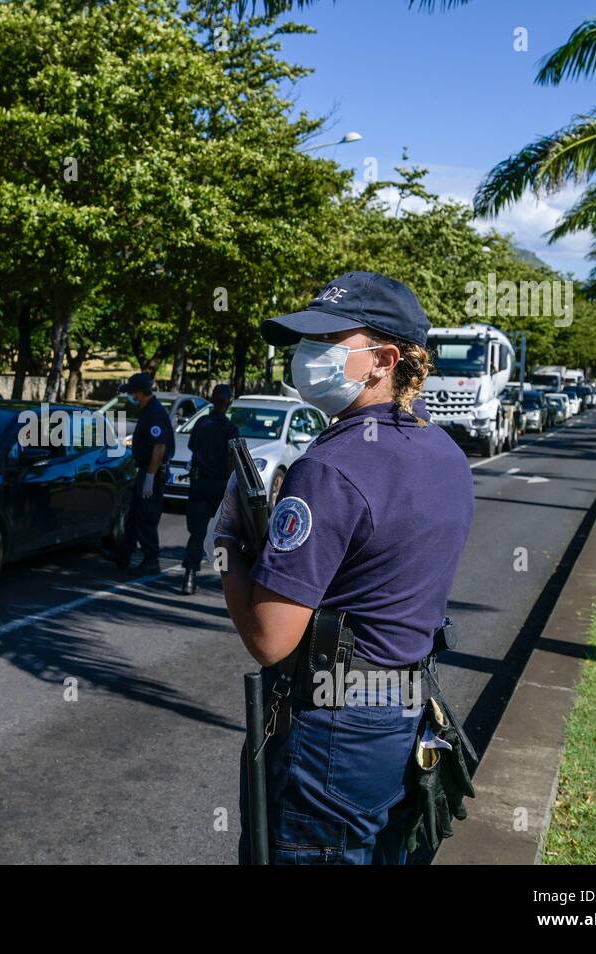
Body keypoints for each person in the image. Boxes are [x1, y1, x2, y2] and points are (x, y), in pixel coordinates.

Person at [214, 270, 474, 865]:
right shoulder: (445, 453)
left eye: (326, 342)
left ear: (383, 359)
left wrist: (229, 544)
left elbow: (272, 640)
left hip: (332, 730)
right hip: (404, 712)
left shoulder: (328, 468)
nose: (306, 357)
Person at [179, 383, 238, 595]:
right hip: (220, 487)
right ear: (228, 402)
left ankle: (189, 577)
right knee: (223, 535)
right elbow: (232, 461)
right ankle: (224, 579)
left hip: (199, 484)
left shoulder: (202, 423)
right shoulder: (230, 429)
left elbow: (193, 448)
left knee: (197, 533)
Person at [113, 372, 174, 575]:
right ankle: (123, 554)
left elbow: (159, 447)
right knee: (133, 515)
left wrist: (150, 477)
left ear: (140, 392)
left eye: (132, 394)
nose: (131, 398)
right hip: (147, 471)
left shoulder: (154, 413)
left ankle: (151, 559)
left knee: (145, 517)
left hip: (152, 473)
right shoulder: (148, 411)